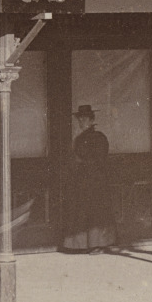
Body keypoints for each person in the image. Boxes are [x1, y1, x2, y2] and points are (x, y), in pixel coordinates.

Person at [61, 104, 117, 253]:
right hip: (81, 180)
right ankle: (82, 245)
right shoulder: (79, 138)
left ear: (92, 120)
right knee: (81, 212)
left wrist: (81, 162)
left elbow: (100, 159)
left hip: (95, 181)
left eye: (84, 119)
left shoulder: (99, 137)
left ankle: (97, 244)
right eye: (80, 119)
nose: (81, 122)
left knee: (95, 214)